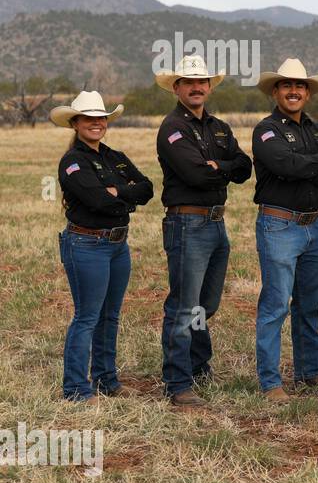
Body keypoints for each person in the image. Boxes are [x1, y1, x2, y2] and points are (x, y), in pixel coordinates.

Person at [155, 54, 252, 407]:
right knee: (183, 306)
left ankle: (198, 366)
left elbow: (244, 167)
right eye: (189, 82)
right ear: (177, 87)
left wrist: (218, 165)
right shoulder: (172, 128)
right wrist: (218, 167)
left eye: (202, 82)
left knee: (204, 304)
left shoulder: (219, 127)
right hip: (187, 222)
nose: (197, 87)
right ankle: (177, 382)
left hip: (215, 222)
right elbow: (196, 174)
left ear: (209, 87)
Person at [251, 59, 318, 402]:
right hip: (279, 224)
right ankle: (270, 382)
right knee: (276, 304)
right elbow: (283, 165)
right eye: (287, 86)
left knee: (309, 305)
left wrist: (304, 162)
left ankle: (310, 373)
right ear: (275, 91)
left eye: (300, 86)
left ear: (307, 93)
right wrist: (314, 161)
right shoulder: (265, 129)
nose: (294, 91)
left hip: (313, 226)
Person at [53, 91, 154, 404]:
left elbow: (148, 189)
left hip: (117, 245)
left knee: (110, 315)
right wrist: (124, 194)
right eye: (88, 118)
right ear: (75, 123)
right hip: (86, 243)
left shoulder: (115, 156)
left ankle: (107, 380)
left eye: (101, 118)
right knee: (87, 317)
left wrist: (117, 191)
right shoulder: (72, 162)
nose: (96, 123)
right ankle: (76, 389)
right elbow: (97, 200)